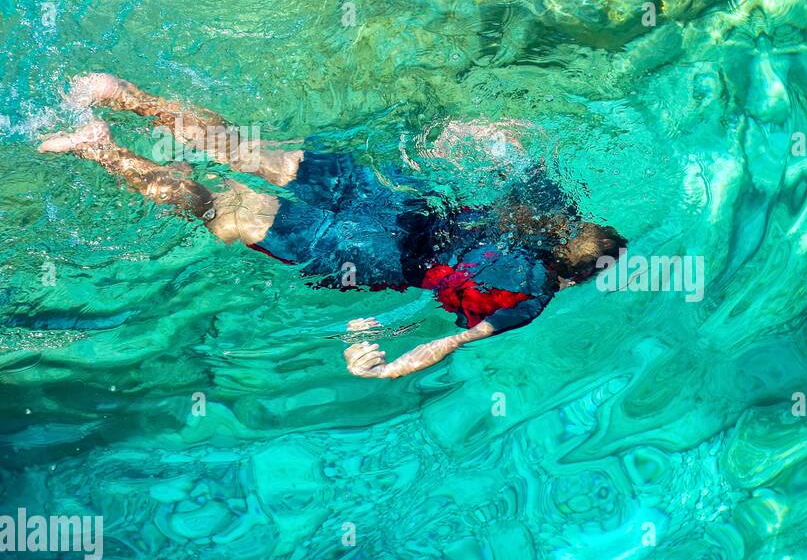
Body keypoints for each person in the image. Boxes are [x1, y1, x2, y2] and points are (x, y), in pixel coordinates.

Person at [37, 74, 625, 379]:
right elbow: (451, 338)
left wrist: (464, 131)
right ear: (572, 279)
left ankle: (120, 95)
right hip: (371, 254)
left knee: (243, 149)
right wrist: (384, 362)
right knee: (221, 211)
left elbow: (514, 140)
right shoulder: (530, 296)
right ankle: (101, 151)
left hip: (395, 200)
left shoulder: (550, 204)